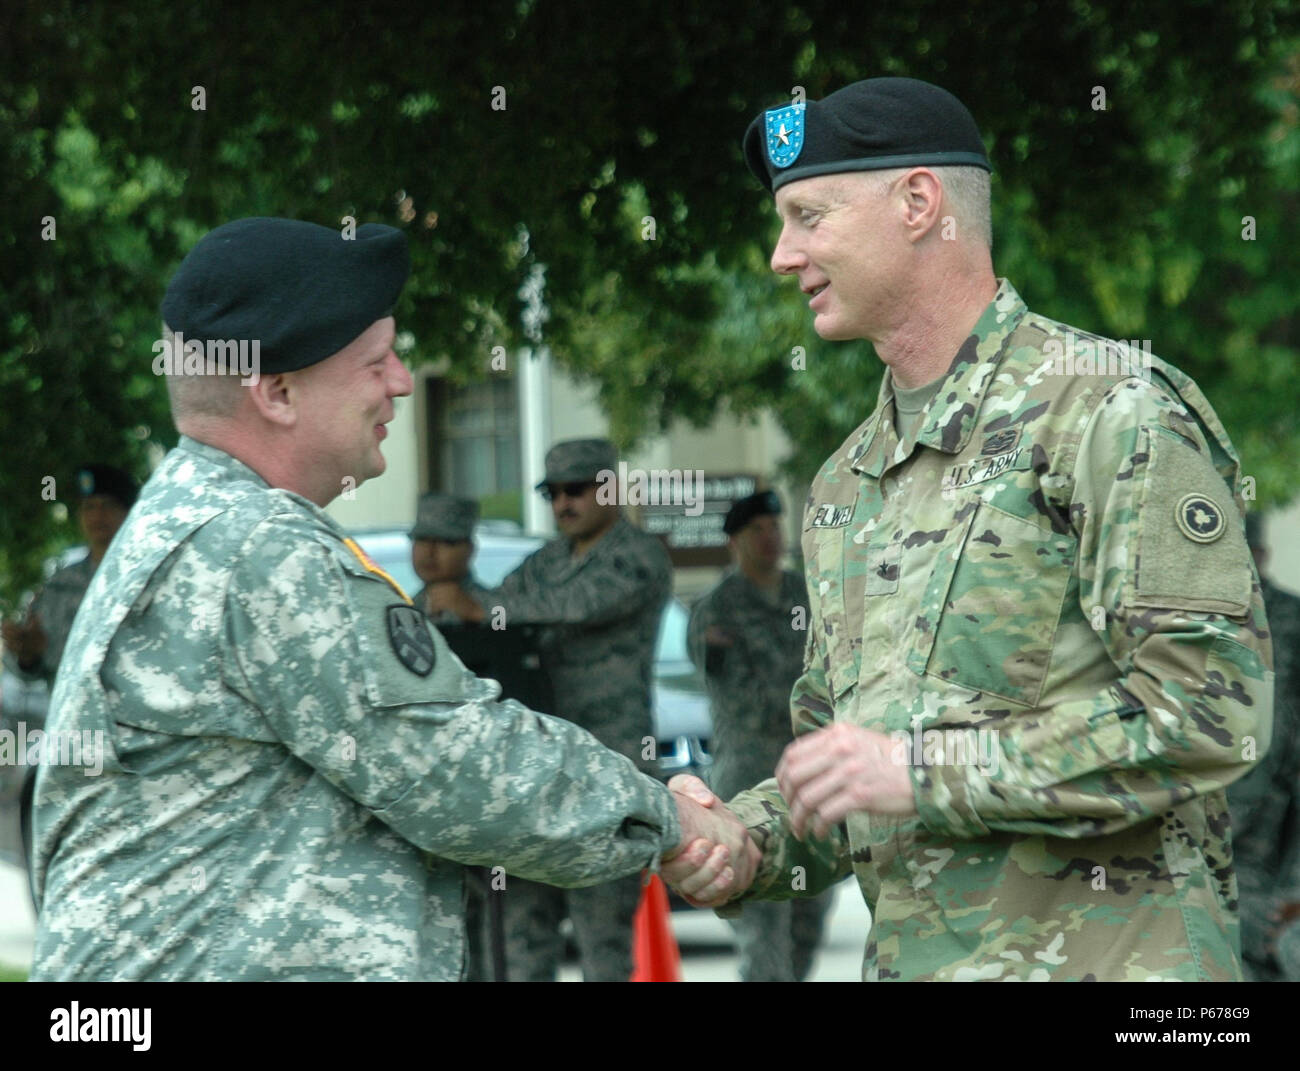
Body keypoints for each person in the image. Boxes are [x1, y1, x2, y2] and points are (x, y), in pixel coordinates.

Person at [27, 217, 756, 981]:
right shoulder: (258, 548)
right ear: (277, 391)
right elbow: (458, 763)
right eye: (377, 362)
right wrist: (674, 822)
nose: (402, 381)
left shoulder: (188, 521)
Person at [663, 77, 1272, 982]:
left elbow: (1214, 711)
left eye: (809, 216)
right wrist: (740, 839)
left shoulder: (1108, 409)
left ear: (918, 203)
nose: (780, 255)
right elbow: (847, 774)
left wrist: (923, 770)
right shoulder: (844, 482)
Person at [427, 438, 671, 981]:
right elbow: (495, 618)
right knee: (524, 938)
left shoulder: (638, 555)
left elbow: (573, 607)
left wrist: (481, 606)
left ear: (608, 488)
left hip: (611, 775)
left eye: (576, 490)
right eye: (552, 492)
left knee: (602, 942)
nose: (562, 503)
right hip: (539, 776)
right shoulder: (545, 561)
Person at [687, 489, 830, 981]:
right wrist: (812, 704)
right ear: (734, 541)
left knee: (809, 921)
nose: (771, 538)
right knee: (763, 932)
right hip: (750, 783)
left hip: (811, 779)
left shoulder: (806, 595)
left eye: (775, 527)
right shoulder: (715, 609)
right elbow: (740, 700)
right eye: (757, 530)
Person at [410, 490, 553, 981]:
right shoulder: (399, 617)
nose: (429, 553)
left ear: (468, 549)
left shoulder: (503, 613)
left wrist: (478, 616)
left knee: (518, 947)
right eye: (421, 540)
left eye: (444, 542)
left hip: (502, 807)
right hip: (430, 813)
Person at [1, 463, 137, 890]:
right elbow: (30, 675)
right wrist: (26, 653)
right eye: (88, 507)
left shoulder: (146, 575)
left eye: (107, 507)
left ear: (130, 511)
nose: (96, 517)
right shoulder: (60, 582)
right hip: (72, 742)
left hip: (138, 744)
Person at [1227, 513, 1300, 981]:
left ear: (1261, 555)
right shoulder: (1190, 628)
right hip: (1200, 864)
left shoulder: (1291, 622)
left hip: (1269, 860)